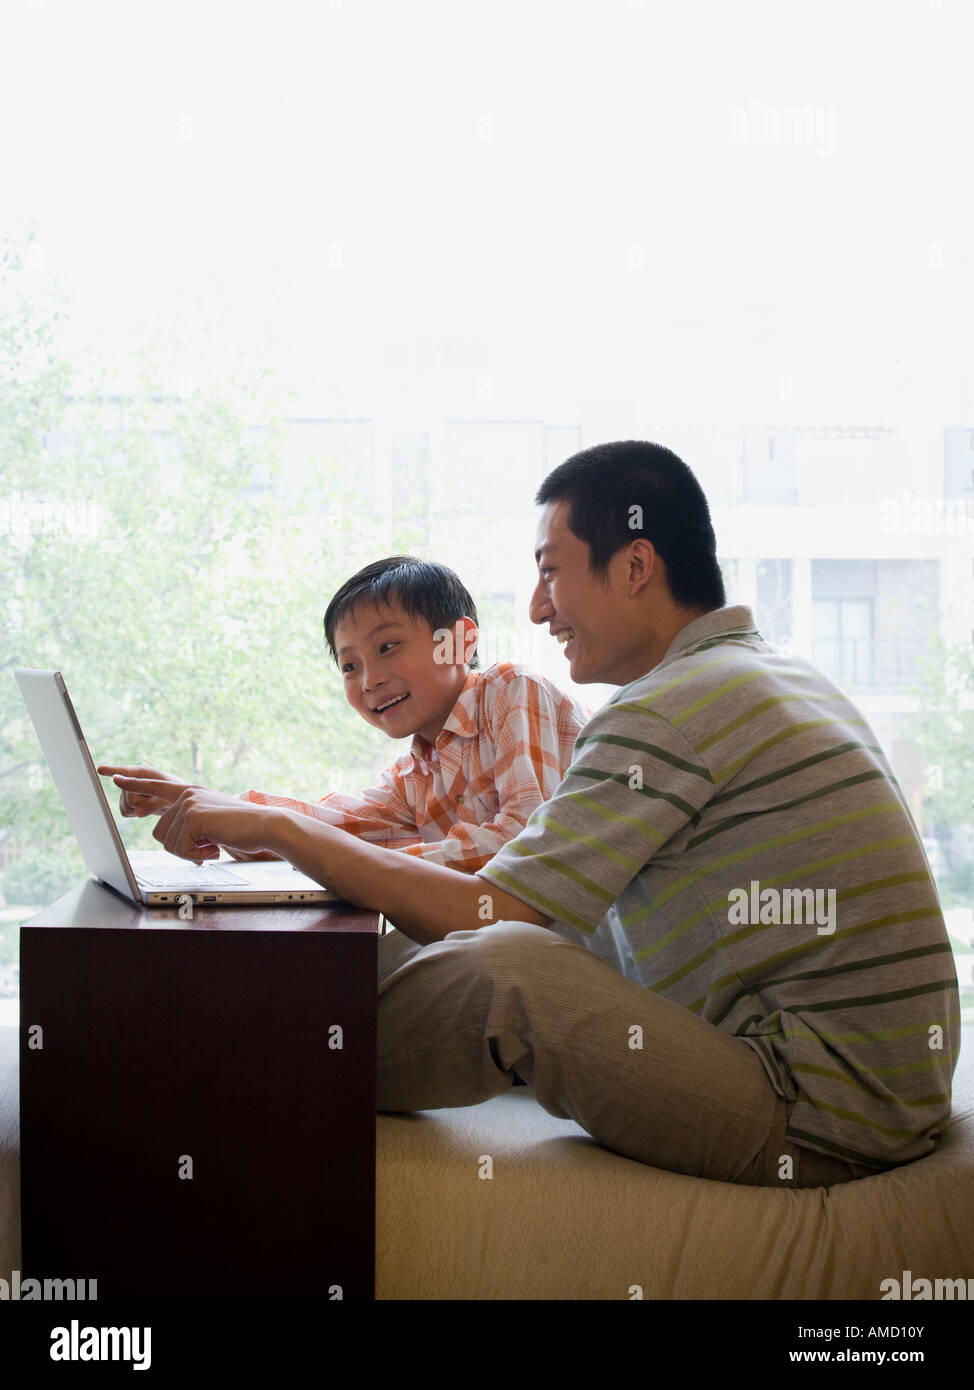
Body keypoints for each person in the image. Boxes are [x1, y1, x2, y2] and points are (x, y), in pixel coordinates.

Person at [108, 442, 960, 1190]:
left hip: (821, 1111)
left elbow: (496, 912)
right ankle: (226, 1015)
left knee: (511, 968)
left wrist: (285, 832)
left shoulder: (664, 711)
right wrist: (258, 819)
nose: (541, 607)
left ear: (634, 567)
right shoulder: (764, 676)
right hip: (862, 1082)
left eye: (552, 571)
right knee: (458, 935)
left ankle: (228, 1063)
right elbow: (458, 869)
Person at [99, 556, 590, 874]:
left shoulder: (510, 690)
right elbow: (324, 829)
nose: (368, 680)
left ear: (459, 641)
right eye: (349, 665)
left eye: (388, 646)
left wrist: (365, 866)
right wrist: (203, 803)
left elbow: (522, 844)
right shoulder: (415, 771)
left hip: (575, 957)